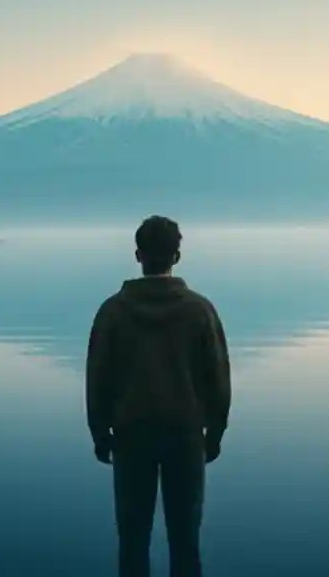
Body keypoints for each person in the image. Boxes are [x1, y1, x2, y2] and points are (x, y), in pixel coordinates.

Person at [86, 215, 232, 577]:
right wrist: (214, 433)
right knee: (186, 540)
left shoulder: (113, 311)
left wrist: (100, 433)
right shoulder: (199, 310)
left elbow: (98, 377)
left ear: (138, 255)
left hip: (131, 437)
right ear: (177, 256)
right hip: (184, 437)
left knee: (132, 541)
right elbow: (217, 378)